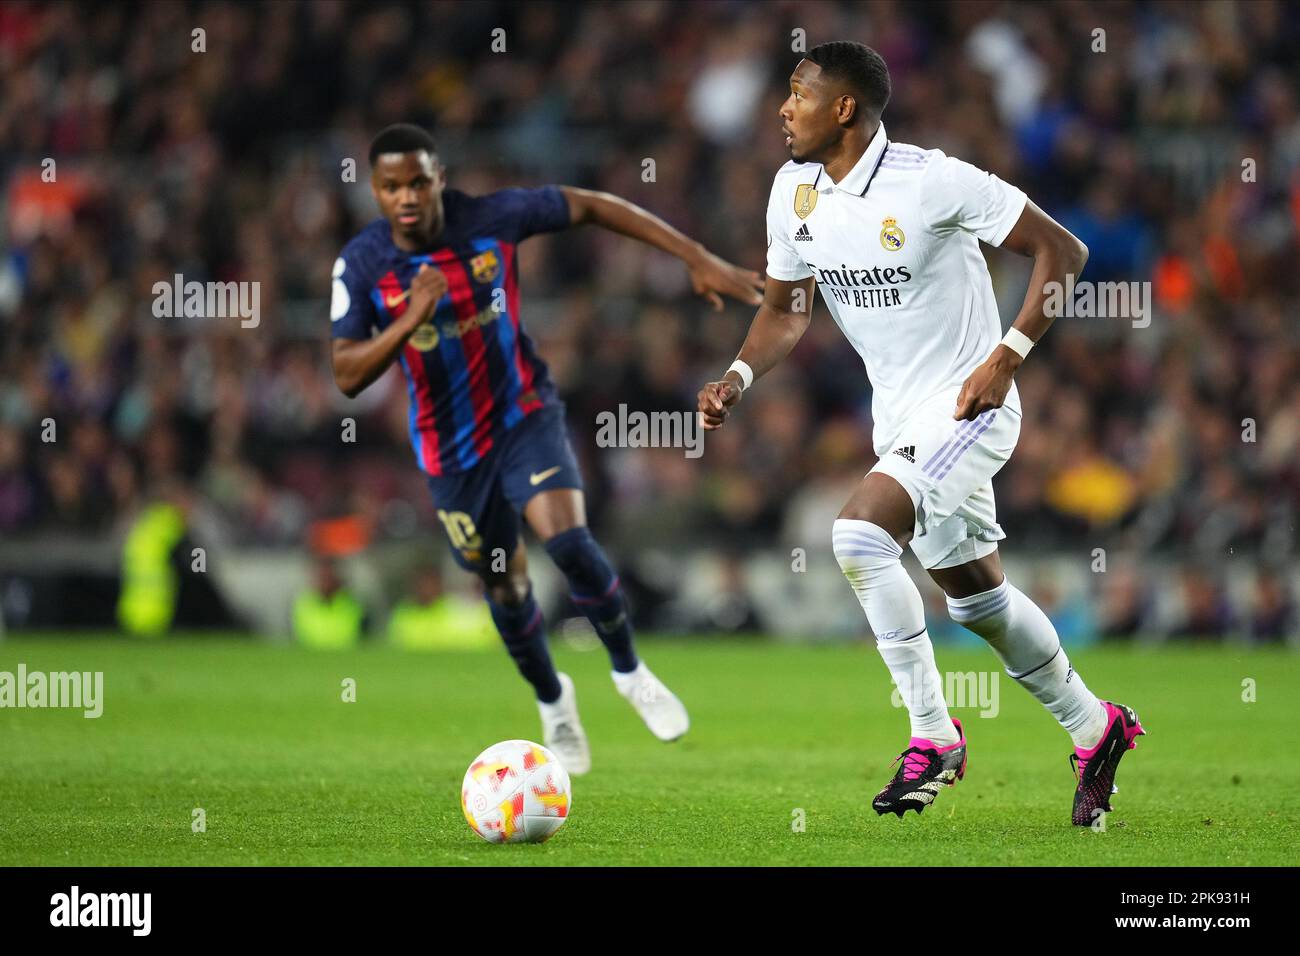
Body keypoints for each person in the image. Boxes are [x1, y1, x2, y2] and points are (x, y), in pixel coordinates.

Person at [697, 43, 1145, 826]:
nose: (782, 108)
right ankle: (1095, 726)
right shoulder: (792, 189)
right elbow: (786, 306)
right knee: (978, 602)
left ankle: (933, 737)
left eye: (798, 93)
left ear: (844, 108)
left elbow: (1062, 250)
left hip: (973, 405)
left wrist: (1007, 357)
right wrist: (738, 376)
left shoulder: (930, 178)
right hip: (903, 420)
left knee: (859, 536)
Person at [330, 124, 764, 774]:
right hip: (451, 453)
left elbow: (590, 204)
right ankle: (555, 701)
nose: (407, 196)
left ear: (439, 176)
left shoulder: (494, 217)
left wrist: (693, 254)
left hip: (525, 414)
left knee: (567, 541)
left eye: (418, 180)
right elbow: (346, 373)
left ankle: (629, 671)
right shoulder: (361, 264)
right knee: (504, 585)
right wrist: (409, 319)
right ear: (376, 191)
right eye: (392, 186)